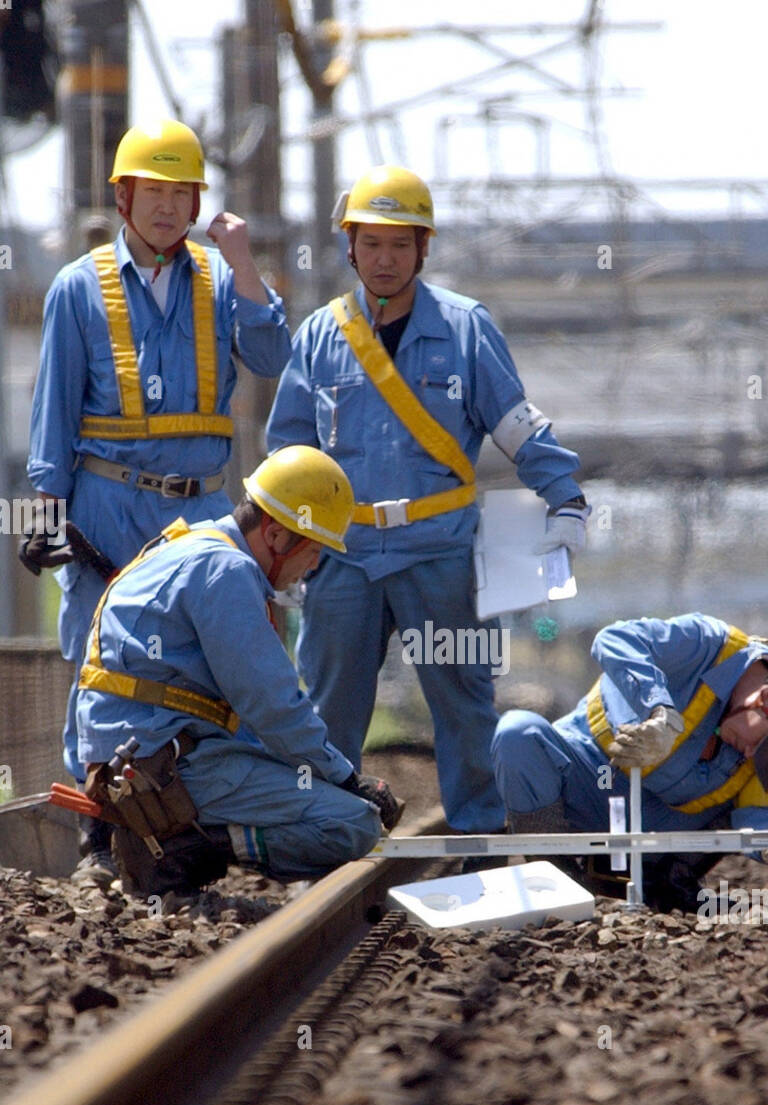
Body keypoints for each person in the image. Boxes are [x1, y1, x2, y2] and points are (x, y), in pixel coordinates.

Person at [265, 164, 589, 835]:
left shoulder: (466, 329)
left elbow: (516, 424)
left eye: (400, 244)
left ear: (422, 249)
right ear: (348, 246)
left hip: (440, 553)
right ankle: (327, 842)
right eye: (372, 243)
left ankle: (479, 844)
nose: (385, 259)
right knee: (326, 713)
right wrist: (279, 551)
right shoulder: (320, 338)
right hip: (342, 558)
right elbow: (287, 455)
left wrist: (565, 500)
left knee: (465, 707)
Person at [23, 119, 292, 883]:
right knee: (95, 657)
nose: (170, 208)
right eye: (156, 191)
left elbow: (271, 353)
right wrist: (45, 511)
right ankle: (99, 838)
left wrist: (243, 263)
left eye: (184, 193)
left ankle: (187, 827)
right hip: (106, 501)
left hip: (200, 509)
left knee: (205, 659)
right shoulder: (78, 286)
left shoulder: (218, 277)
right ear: (124, 195)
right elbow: (55, 409)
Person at [75, 446, 401, 897]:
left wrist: (322, 771)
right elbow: (272, 705)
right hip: (160, 766)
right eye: (315, 549)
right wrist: (346, 778)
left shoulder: (191, 545)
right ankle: (184, 848)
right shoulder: (224, 571)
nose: (316, 566)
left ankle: (167, 838)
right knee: (352, 823)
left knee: (328, 796)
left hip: (145, 754)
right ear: (277, 536)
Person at [491, 613, 768, 911]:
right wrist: (661, 713)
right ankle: (554, 875)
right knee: (517, 734)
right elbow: (613, 638)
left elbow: (759, 810)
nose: (753, 758)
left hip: (670, 823)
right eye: (763, 748)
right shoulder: (706, 643)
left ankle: (668, 879)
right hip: (593, 781)